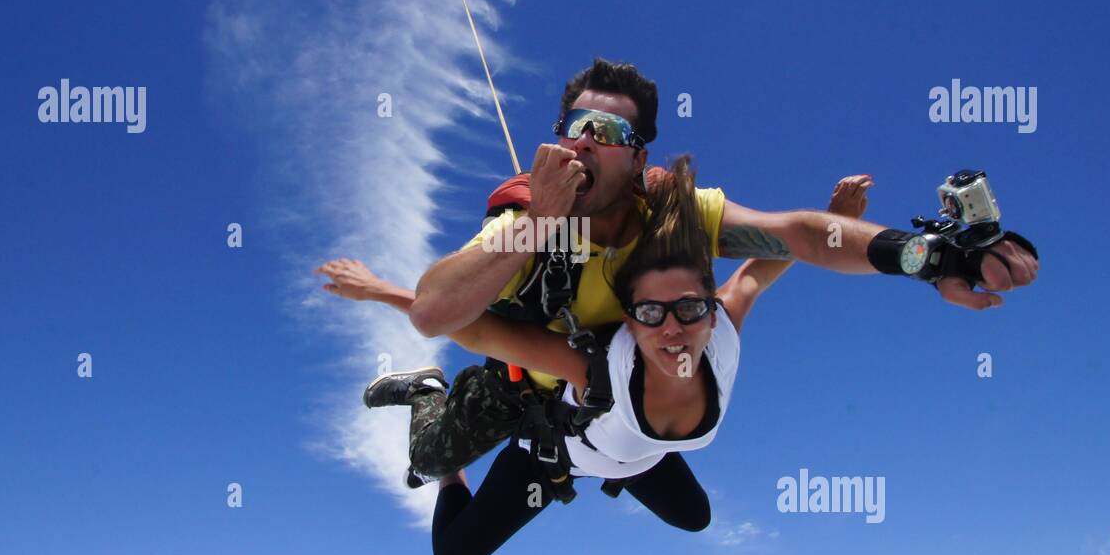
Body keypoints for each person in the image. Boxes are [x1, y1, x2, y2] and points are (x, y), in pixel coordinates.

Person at [396, 59, 1038, 482]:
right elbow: (433, 313)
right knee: (428, 460)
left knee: (668, 480)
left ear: (638, 153)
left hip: (619, 401)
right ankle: (426, 394)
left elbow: (796, 235)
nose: (583, 139)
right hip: (528, 387)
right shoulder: (528, 228)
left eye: (606, 128)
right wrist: (538, 221)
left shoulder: (672, 212)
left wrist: (925, 257)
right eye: (573, 126)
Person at [317, 162, 872, 555]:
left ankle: (615, 462)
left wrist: (831, 229)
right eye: (655, 316)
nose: (675, 332)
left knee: (695, 516)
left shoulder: (715, 335)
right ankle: (428, 398)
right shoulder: (595, 367)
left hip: (630, 457)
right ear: (635, 322)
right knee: (450, 541)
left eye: (689, 313)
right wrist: (381, 291)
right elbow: (471, 326)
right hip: (546, 446)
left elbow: (752, 277)